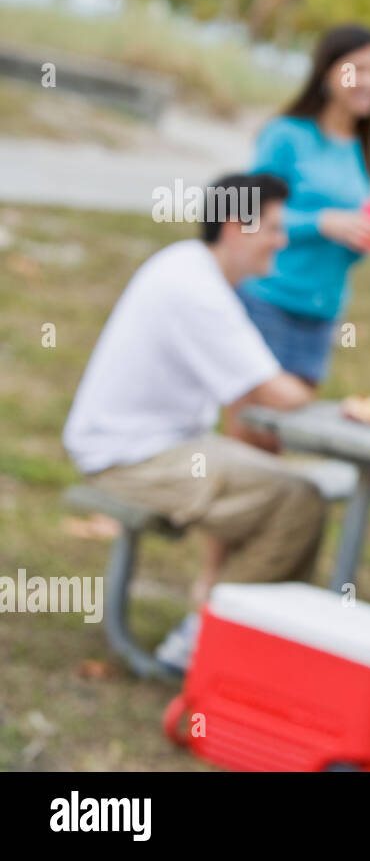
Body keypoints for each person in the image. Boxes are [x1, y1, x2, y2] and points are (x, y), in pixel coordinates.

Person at [63, 173, 327, 673]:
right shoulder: (197, 289)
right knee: (296, 502)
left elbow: (252, 393)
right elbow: (276, 393)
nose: (282, 240)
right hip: (130, 457)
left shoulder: (191, 270)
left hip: (156, 445)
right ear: (234, 226)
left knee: (297, 496)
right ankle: (207, 635)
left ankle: (248, 642)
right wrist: (353, 408)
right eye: (272, 227)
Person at [231, 24, 370, 421]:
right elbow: (247, 210)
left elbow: (341, 245)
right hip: (269, 301)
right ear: (327, 72)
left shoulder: (360, 148)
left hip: (321, 315)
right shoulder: (286, 135)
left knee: (286, 434)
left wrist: (361, 240)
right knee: (252, 433)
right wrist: (322, 222)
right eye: (358, 69)